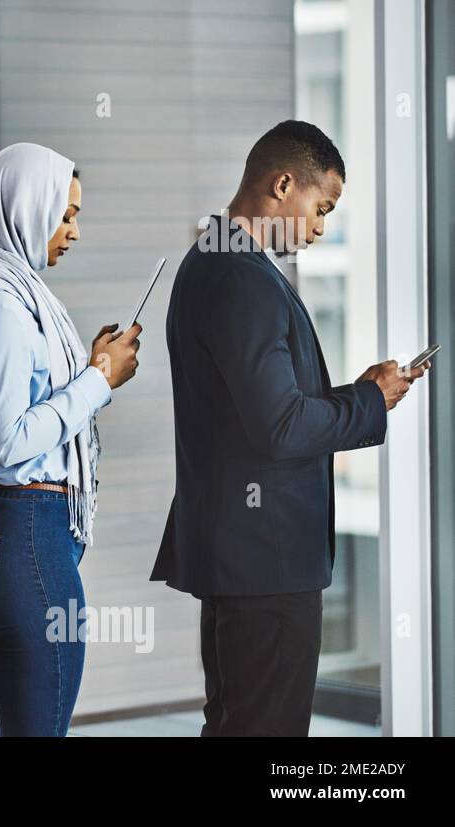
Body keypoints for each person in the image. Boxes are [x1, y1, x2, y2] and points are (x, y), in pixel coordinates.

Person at [151, 120, 427, 736]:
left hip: (243, 557)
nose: (322, 227)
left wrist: (358, 395)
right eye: (321, 207)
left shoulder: (218, 259)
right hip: (266, 563)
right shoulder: (242, 277)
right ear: (283, 184)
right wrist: (369, 401)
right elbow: (279, 427)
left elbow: (259, 409)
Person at [0, 144, 141, 736]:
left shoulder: (15, 295)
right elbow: (9, 440)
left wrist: (88, 373)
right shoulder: (1, 306)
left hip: (29, 533)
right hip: (28, 534)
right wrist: (97, 381)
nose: (74, 232)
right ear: (26, 209)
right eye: (66, 214)